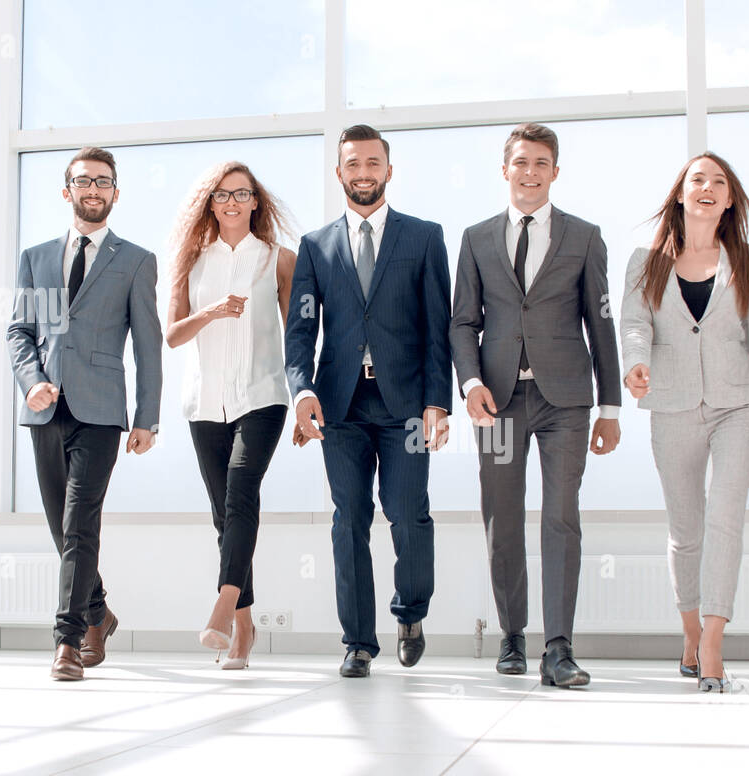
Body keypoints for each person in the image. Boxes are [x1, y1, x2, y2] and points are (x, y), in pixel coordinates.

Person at [450, 122, 622, 688]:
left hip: (566, 401)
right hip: (496, 403)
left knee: (560, 517)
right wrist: (470, 383)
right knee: (501, 519)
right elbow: (463, 323)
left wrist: (611, 407)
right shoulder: (475, 238)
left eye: (541, 162)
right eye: (520, 162)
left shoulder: (584, 236)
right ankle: (511, 637)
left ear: (555, 171)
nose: (530, 172)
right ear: (505, 169)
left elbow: (601, 322)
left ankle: (558, 647)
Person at [284, 124, 452, 678]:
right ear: (339, 173)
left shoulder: (424, 237)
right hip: (342, 407)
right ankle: (358, 641)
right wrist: (302, 389)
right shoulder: (315, 246)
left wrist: (437, 400)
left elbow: (437, 328)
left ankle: (409, 612)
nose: (363, 173)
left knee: (407, 515)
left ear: (388, 169)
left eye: (372, 163)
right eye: (352, 164)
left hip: (404, 405)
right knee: (348, 520)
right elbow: (301, 331)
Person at [621, 152, 749, 693]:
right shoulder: (646, 260)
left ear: (730, 198)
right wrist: (634, 363)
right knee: (686, 529)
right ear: (681, 194)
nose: (708, 187)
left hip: (740, 404)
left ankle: (713, 644)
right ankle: (689, 632)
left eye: (719, 182)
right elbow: (635, 323)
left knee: (725, 520)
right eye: (697, 180)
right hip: (671, 402)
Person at [6, 146, 162, 681]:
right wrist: (31, 382)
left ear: (115, 193)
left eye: (102, 181)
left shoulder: (136, 260)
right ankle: (100, 611)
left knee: (80, 523)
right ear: (66, 189)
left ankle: (67, 639)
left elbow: (148, 345)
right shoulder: (38, 258)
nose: (92, 189)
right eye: (83, 180)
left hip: (100, 410)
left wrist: (147, 417)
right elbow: (21, 332)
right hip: (45, 410)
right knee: (60, 526)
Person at [166, 162, 296, 670]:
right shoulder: (189, 261)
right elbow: (173, 334)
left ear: (256, 201)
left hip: (263, 396)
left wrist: (308, 400)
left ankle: (223, 607)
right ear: (210, 204)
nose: (233, 203)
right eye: (222, 195)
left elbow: (300, 340)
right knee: (225, 515)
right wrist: (212, 311)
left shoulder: (279, 260)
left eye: (242, 194)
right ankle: (245, 627)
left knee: (242, 491)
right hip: (204, 402)